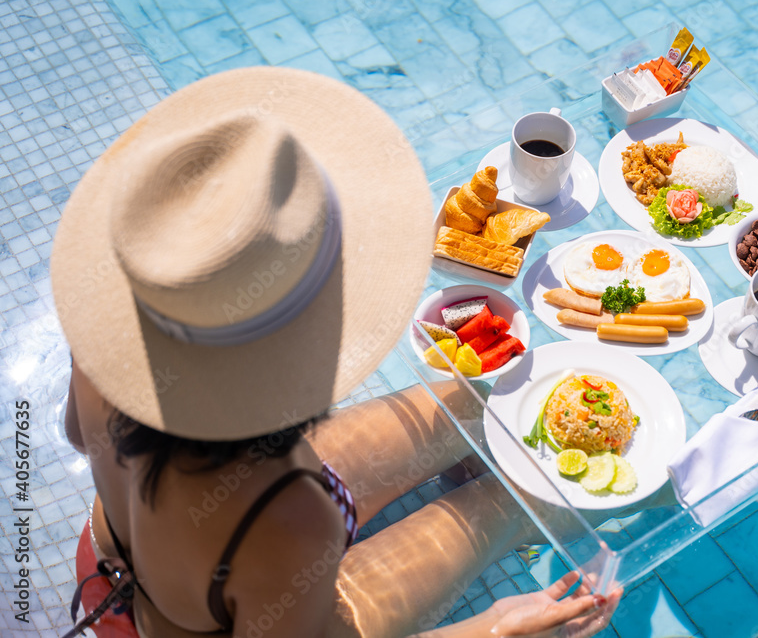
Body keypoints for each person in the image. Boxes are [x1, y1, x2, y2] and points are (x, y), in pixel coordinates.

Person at [55, 67, 621, 638]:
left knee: (478, 400)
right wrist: (496, 629)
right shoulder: (293, 520)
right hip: (199, 619)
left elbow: (82, 434)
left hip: (124, 544)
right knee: (519, 504)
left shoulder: (114, 328)